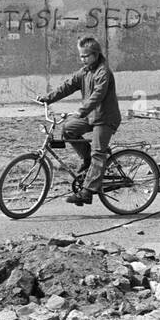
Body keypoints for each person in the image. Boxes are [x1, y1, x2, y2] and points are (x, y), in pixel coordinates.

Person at [38, 36, 121, 206]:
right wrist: (47, 99)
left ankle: (87, 192)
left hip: (105, 118)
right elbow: (67, 86)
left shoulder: (103, 72)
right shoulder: (85, 71)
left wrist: (81, 111)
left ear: (96, 55)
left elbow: (98, 95)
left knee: (98, 152)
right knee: (68, 130)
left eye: (86, 56)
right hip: (91, 116)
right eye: (81, 56)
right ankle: (88, 163)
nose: (82, 59)